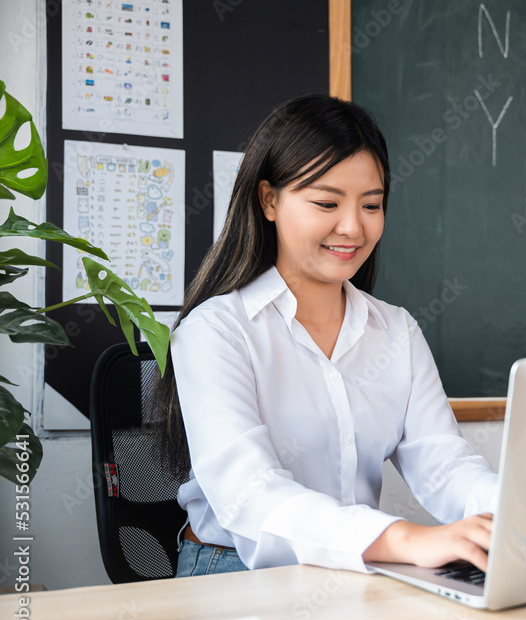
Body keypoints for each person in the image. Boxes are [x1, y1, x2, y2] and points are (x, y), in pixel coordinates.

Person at [153, 94, 498, 578]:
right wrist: (402, 537)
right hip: (232, 567)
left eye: (372, 205)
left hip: (355, 567)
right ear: (269, 199)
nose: (353, 227)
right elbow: (251, 496)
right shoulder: (215, 331)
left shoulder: (395, 330)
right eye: (326, 202)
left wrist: (514, 514)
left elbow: (443, 462)